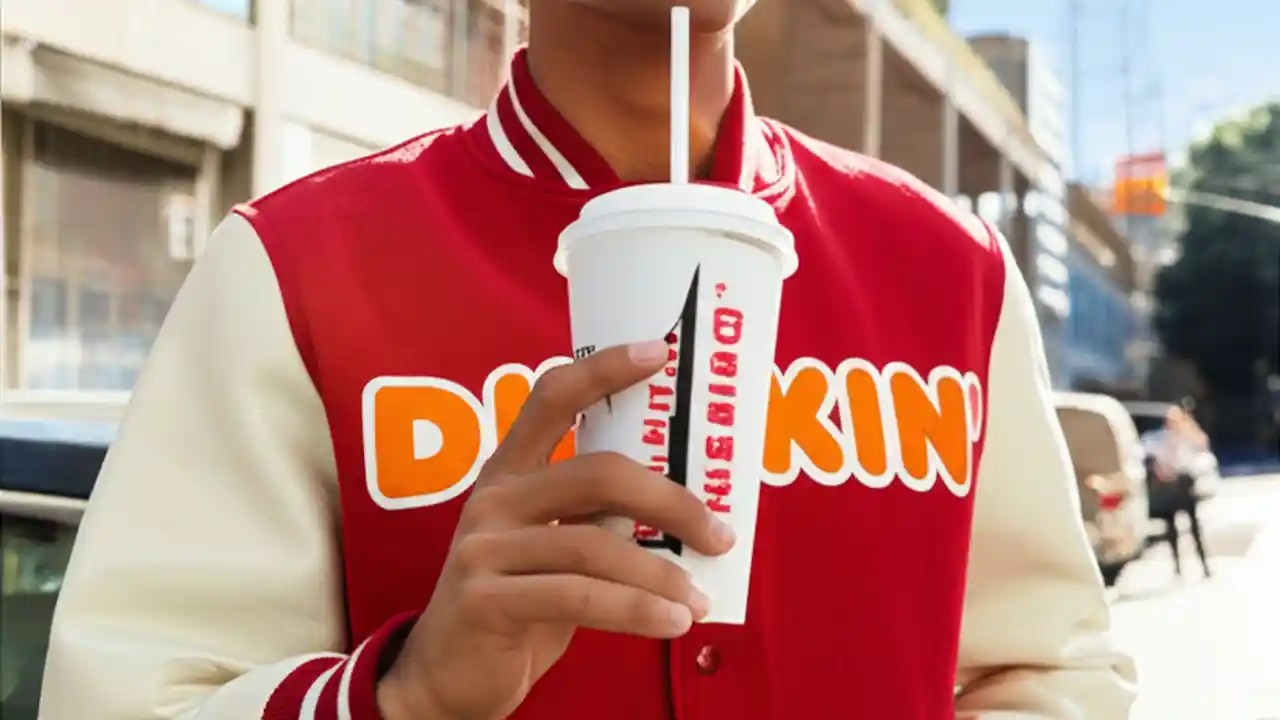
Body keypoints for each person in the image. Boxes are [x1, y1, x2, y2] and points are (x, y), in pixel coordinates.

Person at [40, 1, 1136, 718]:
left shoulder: (948, 270)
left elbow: (1050, 671)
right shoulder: (293, 267)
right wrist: (402, 695)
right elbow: (130, 694)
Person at [1145, 406, 1212, 578]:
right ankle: (1177, 567)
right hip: (1169, 484)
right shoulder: (1160, 438)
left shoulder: (1187, 436)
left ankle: (1204, 565)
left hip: (1185, 483)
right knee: (1171, 527)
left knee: (1194, 526)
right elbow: (1148, 452)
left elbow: (1202, 443)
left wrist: (1189, 424)